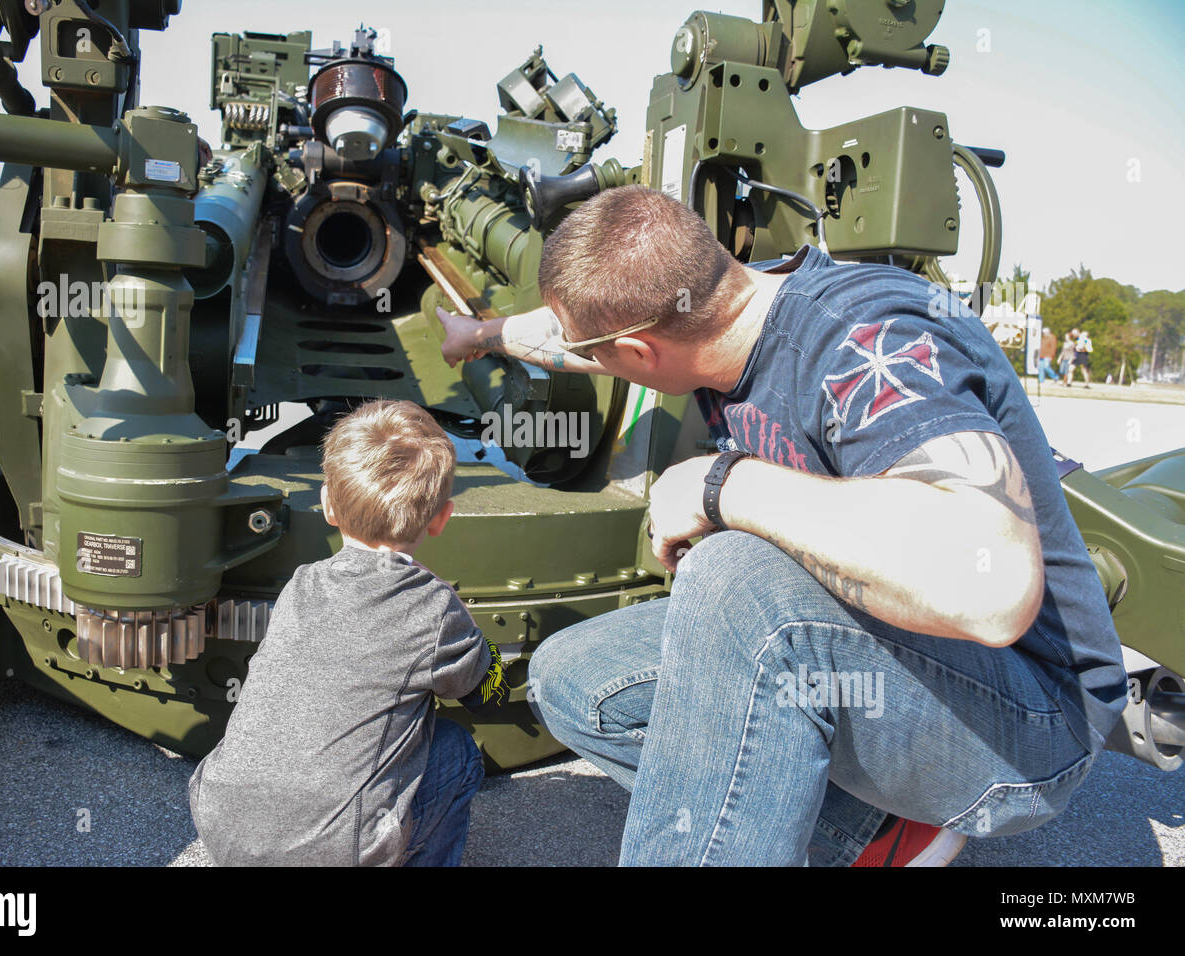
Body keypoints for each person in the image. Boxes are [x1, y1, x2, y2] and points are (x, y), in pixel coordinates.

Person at [436, 185, 1126, 866]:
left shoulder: (863, 344)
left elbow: (993, 588)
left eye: (600, 350)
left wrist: (721, 485)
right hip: (903, 655)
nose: (582, 353)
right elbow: (568, 337)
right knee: (573, 677)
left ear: (640, 354)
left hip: (1032, 723)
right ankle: (876, 832)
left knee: (734, 576)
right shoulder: (715, 310)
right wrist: (478, 337)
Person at [187, 399, 509, 866]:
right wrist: (478, 640)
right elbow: (487, 693)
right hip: (339, 850)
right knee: (454, 750)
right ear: (441, 517)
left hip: (220, 822)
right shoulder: (434, 608)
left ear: (327, 505)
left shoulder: (302, 584)